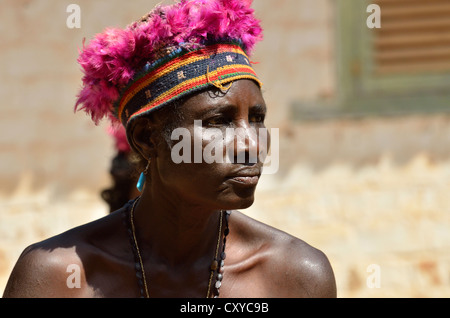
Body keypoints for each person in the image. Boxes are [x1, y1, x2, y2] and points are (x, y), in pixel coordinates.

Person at [3, 0, 336, 298]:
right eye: (219, 121)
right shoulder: (57, 278)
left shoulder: (295, 276)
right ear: (147, 139)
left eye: (258, 118)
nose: (251, 146)